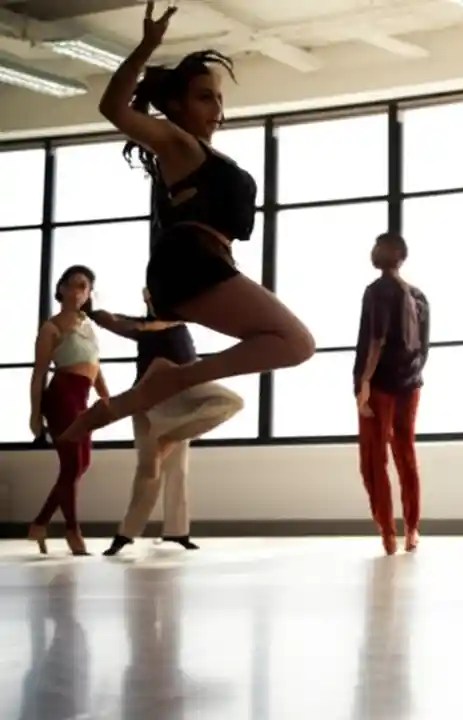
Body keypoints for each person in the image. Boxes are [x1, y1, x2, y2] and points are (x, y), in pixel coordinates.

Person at [58, 0, 314, 444]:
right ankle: (173, 381)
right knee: (296, 343)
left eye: (218, 96)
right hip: (190, 261)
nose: (216, 105)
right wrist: (145, 48)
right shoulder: (178, 144)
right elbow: (114, 109)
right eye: (203, 96)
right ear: (175, 107)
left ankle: (136, 395)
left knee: (291, 343)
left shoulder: (205, 154)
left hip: (203, 261)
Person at [88, 287, 245, 556]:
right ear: (146, 298)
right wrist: (90, 308)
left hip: (184, 391)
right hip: (150, 398)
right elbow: (112, 321)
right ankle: (126, 534)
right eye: (151, 294)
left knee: (182, 464)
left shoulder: (180, 324)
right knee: (149, 470)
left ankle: (177, 531)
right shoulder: (140, 325)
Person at [354, 232, 430, 555]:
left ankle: (388, 532)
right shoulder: (419, 296)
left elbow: (376, 340)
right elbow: (424, 348)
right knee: (406, 454)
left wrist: (365, 383)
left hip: (380, 384)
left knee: (374, 460)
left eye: (378, 245)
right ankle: (412, 529)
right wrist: (411, 374)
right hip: (410, 384)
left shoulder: (375, 292)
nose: (374, 249)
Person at [28, 265, 106, 556]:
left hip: (82, 399)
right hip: (61, 397)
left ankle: (39, 523)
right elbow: (39, 374)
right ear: (60, 288)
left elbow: (96, 367)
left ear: (88, 294)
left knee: (81, 464)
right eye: (73, 285)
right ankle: (73, 532)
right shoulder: (52, 327)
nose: (78, 292)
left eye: (84, 287)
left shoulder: (88, 326)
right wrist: (35, 413)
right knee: (72, 465)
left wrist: (107, 398)